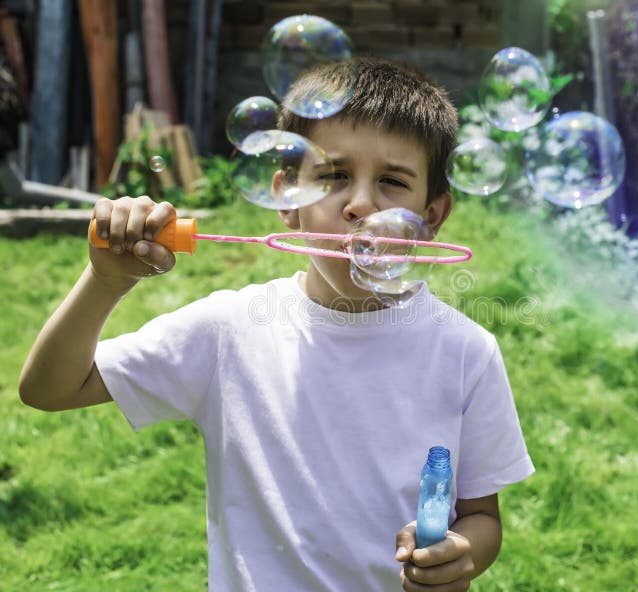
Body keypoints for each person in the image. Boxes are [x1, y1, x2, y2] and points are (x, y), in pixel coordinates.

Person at [19, 57, 535, 591]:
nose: (360, 205)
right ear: (288, 200)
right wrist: (106, 282)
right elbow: (50, 388)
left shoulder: (466, 352)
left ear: (433, 217)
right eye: (334, 176)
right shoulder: (229, 332)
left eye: (392, 182)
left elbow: (482, 517)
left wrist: (462, 552)